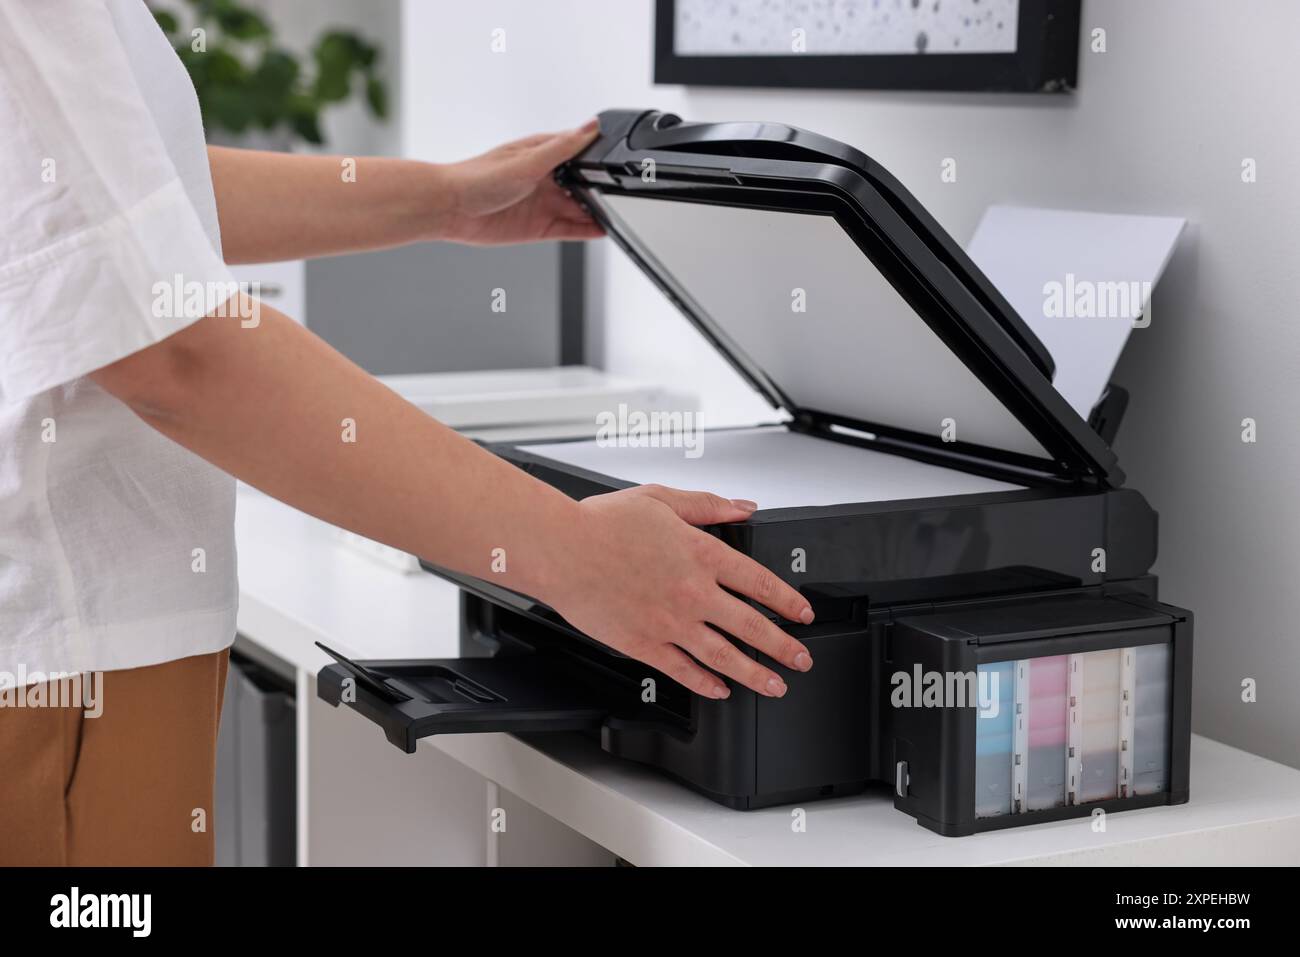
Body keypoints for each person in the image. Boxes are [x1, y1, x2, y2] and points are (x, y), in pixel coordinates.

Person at [0, 0, 815, 866]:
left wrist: (445, 199)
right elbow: (178, 355)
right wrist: (574, 552)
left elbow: (118, 202)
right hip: (58, 668)